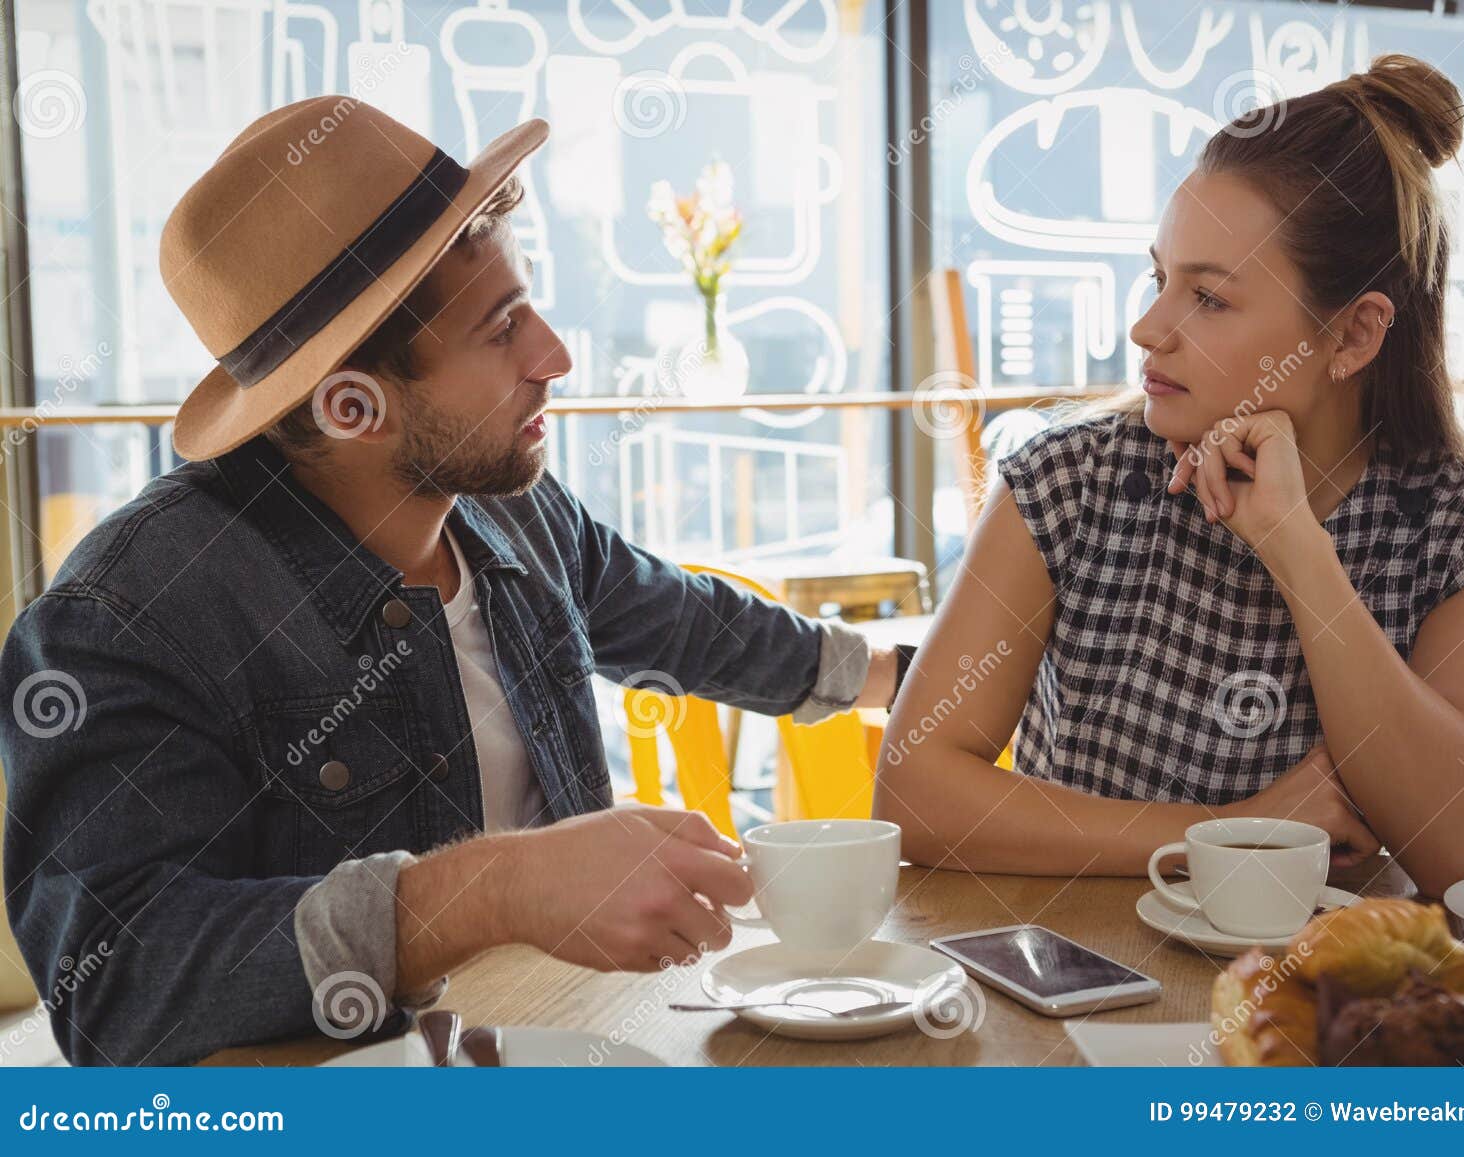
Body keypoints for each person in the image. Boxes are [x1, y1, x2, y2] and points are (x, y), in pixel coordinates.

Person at [0, 97, 895, 1065]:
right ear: (357, 404)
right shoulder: (128, 616)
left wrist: (902, 676)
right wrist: (500, 888)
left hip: (572, 1052)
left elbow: (681, 617)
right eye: (502, 328)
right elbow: (119, 984)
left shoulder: (511, 509)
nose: (554, 356)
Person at [875, 55, 1464, 900]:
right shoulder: (1068, 481)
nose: (1147, 327)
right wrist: (1233, 832)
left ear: (1352, 335)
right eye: (1161, 278)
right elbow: (914, 790)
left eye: (1210, 299)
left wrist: (1297, 548)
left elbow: (1459, 846)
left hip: (1330, 1011)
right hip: (1072, 995)